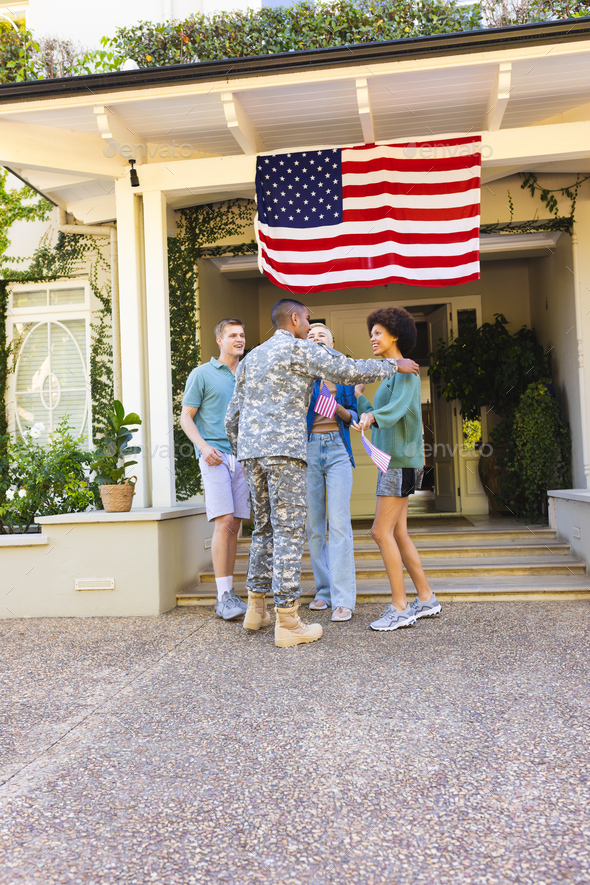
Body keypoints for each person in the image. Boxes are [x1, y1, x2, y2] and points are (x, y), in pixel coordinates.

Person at [225, 298, 420, 648]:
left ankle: (256, 608)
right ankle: (288, 622)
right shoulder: (297, 349)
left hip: (251, 454)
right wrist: (395, 365)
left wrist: (244, 451)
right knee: (289, 532)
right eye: (307, 320)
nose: (308, 326)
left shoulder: (252, 357)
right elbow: (346, 369)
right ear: (294, 319)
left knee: (264, 529)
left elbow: (232, 416)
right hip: (284, 453)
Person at [353, 306, 442, 632]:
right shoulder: (391, 375)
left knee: (380, 532)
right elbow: (383, 414)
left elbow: (398, 409)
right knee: (398, 532)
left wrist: (373, 415)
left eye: (377, 332)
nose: (372, 338)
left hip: (400, 464)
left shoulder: (407, 373)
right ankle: (426, 598)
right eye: (371, 333)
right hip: (392, 462)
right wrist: (362, 401)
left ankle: (400, 607)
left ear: (395, 334)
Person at [180, 318, 251, 621]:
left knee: (235, 525)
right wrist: (203, 447)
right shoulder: (202, 374)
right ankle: (223, 597)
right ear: (220, 340)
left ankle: (229, 592)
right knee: (224, 521)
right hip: (215, 457)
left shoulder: (248, 373)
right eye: (232, 335)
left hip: (243, 459)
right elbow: (186, 417)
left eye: (242, 335)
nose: (239, 339)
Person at [306, 323, 357, 622]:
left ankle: (343, 599)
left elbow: (353, 416)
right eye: (310, 335)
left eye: (321, 335)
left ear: (332, 343)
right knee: (315, 527)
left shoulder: (343, 371)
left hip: (338, 449)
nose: (316, 338)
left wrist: (336, 408)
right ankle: (324, 592)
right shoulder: (301, 371)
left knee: (339, 524)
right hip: (309, 450)